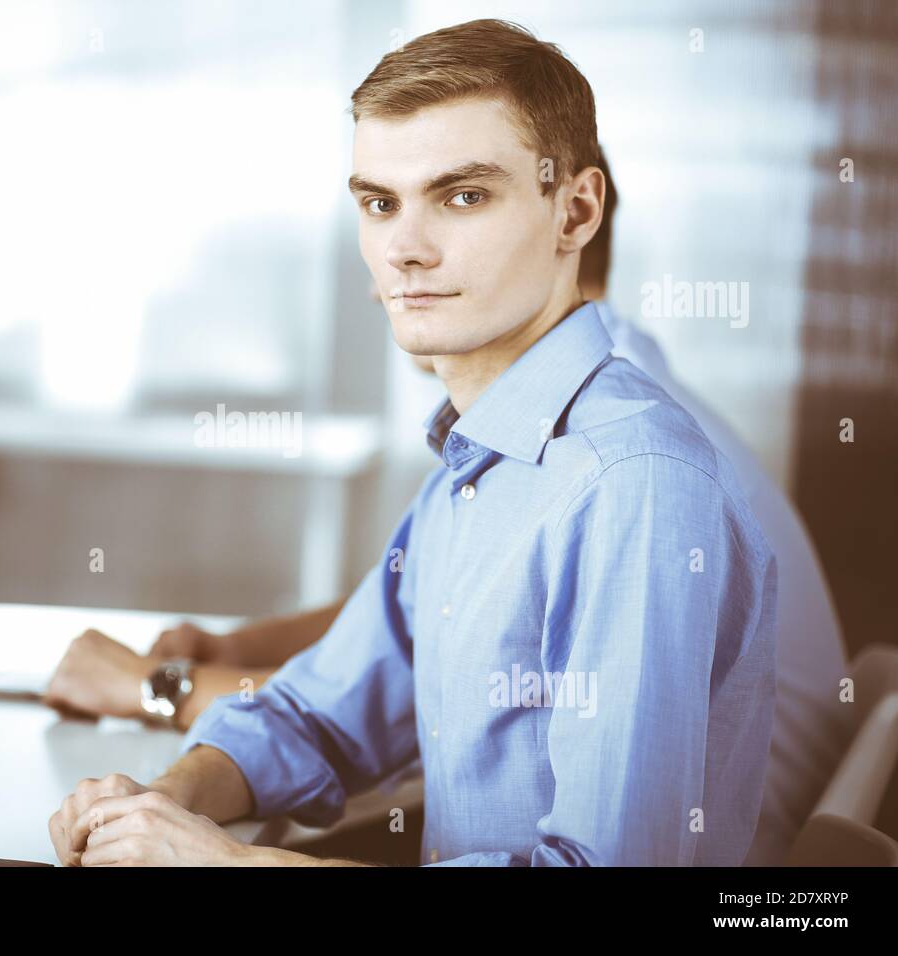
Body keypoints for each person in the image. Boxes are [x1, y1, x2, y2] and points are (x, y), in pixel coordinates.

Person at [47, 19, 778, 866]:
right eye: (379, 203)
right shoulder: (481, 460)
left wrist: (230, 861)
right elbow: (317, 714)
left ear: (574, 211)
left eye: (463, 196)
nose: (405, 249)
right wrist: (160, 802)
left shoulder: (633, 482)